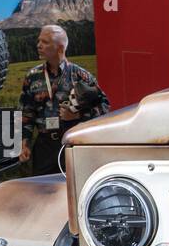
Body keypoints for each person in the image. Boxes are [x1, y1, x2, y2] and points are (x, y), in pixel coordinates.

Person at [18, 24, 110, 176]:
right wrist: (24, 142)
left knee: (73, 191)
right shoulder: (32, 76)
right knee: (43, 193)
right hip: (44, 148)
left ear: (60, 48)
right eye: (39, 40)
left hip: (73, 145)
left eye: (45, 42)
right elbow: (25, 112)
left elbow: (105, 108)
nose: (39, 45)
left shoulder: (81, 76)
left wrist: (79, 116)